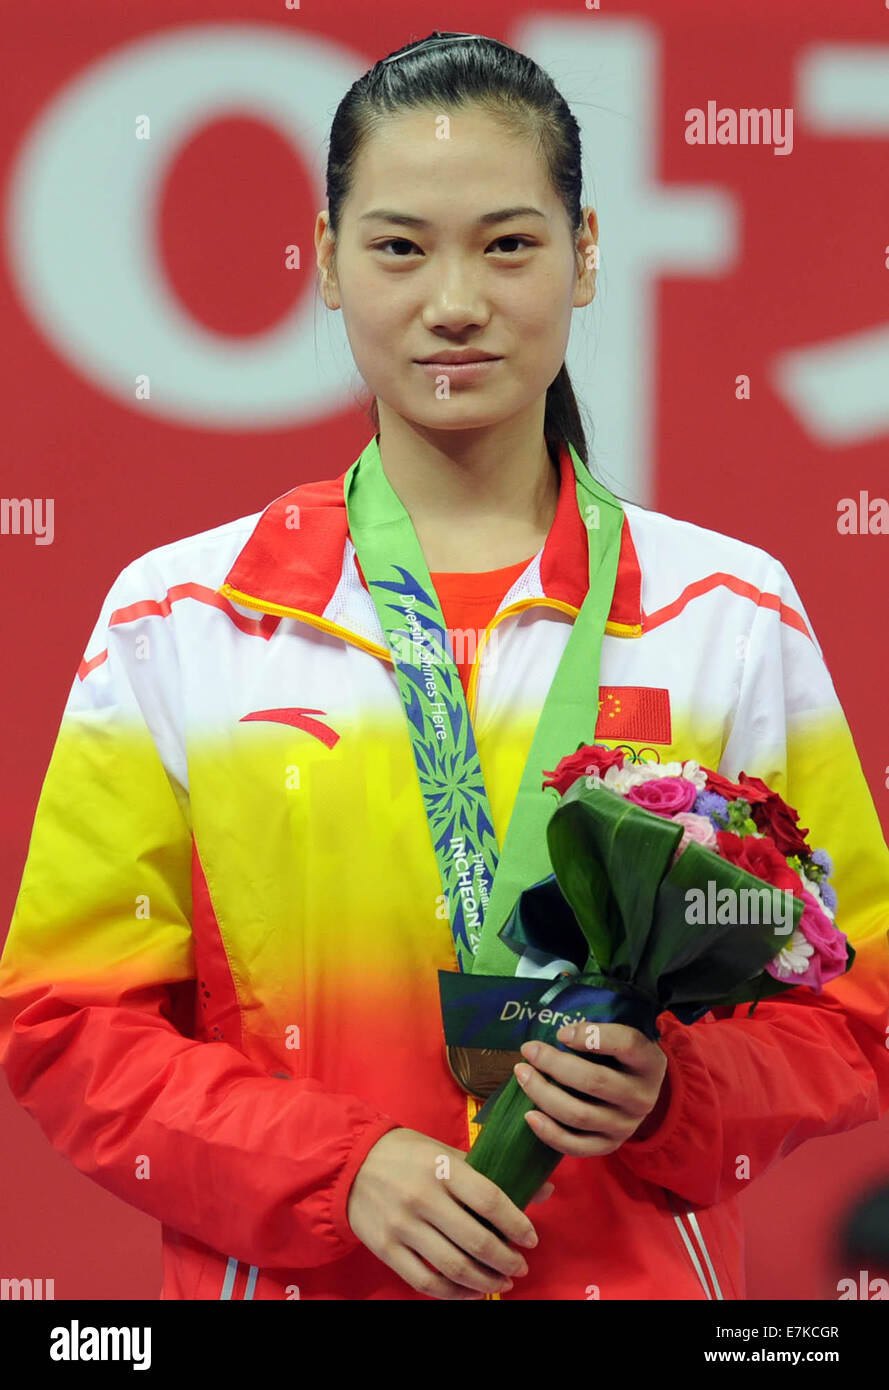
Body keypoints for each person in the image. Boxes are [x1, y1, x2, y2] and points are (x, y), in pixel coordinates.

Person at [1, 29, 888, 1303]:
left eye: (509, 242)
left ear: (586, 258)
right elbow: (68, 1024)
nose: (455, 299)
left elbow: (851, 1008)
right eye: (400, 246)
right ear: (323, 264)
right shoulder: (184, 617)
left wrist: (674, 1094)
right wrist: (339, 1168)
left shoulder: (726, 611)